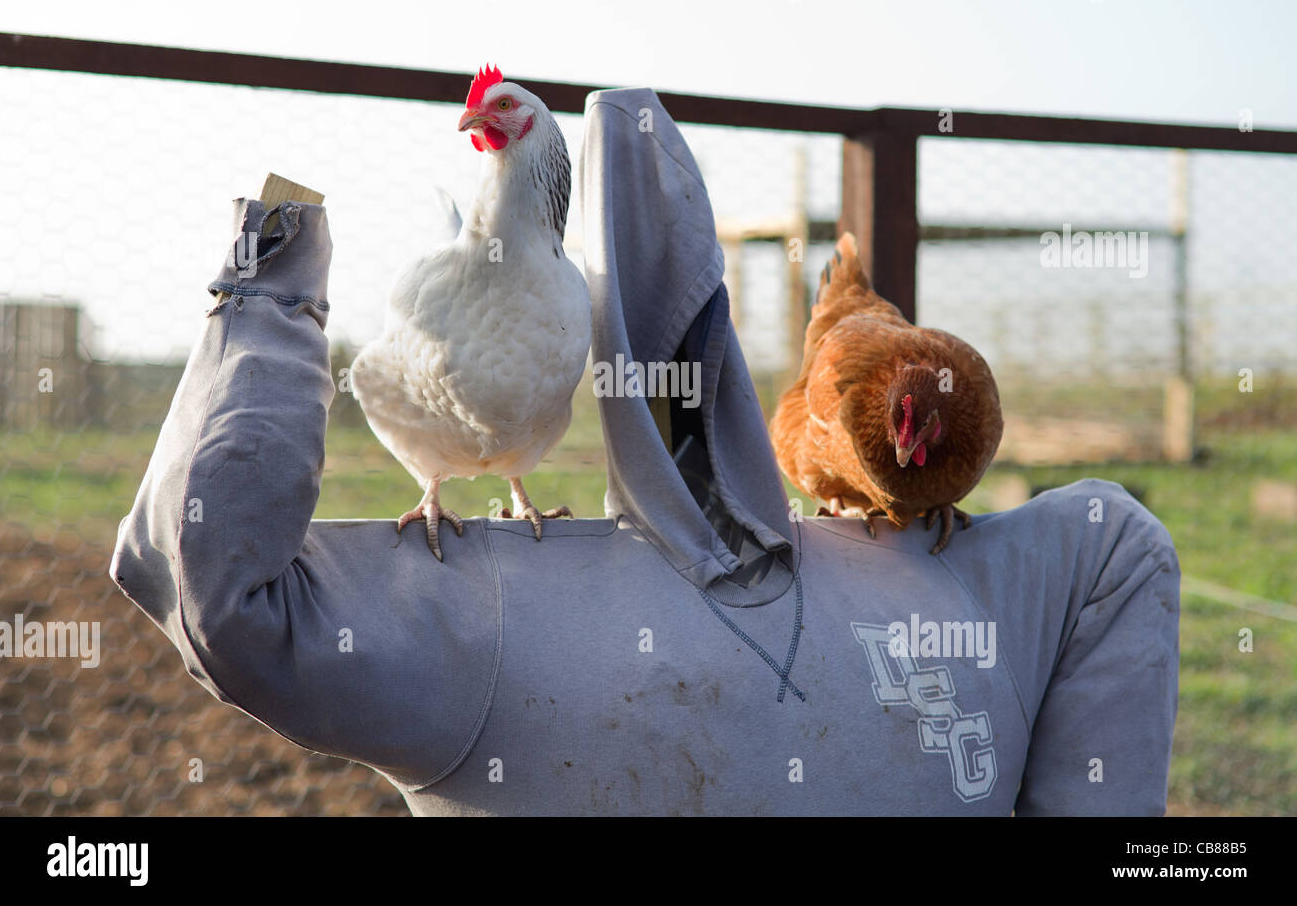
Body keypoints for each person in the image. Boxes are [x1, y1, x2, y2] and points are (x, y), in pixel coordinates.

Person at [110, 88, 1179, 815]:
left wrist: (269, 283)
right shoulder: (1017, 575)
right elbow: (1120, 549)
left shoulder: (475, 615)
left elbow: (218, 598)